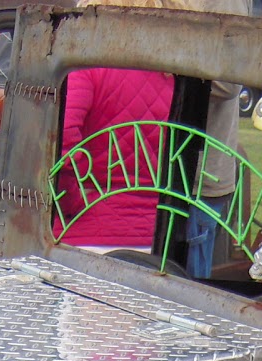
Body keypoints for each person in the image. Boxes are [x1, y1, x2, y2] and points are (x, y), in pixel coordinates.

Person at [54, 0, 177, 250]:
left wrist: (73, 204)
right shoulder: (171, 73)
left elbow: (61, 146)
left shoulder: (86, 66)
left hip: (85, 238)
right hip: (152, 241)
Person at [186, 0, 249, 278]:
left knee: (186, 292)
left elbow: (228, 81)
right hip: (164, 167)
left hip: (199, 175)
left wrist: (155, 67)